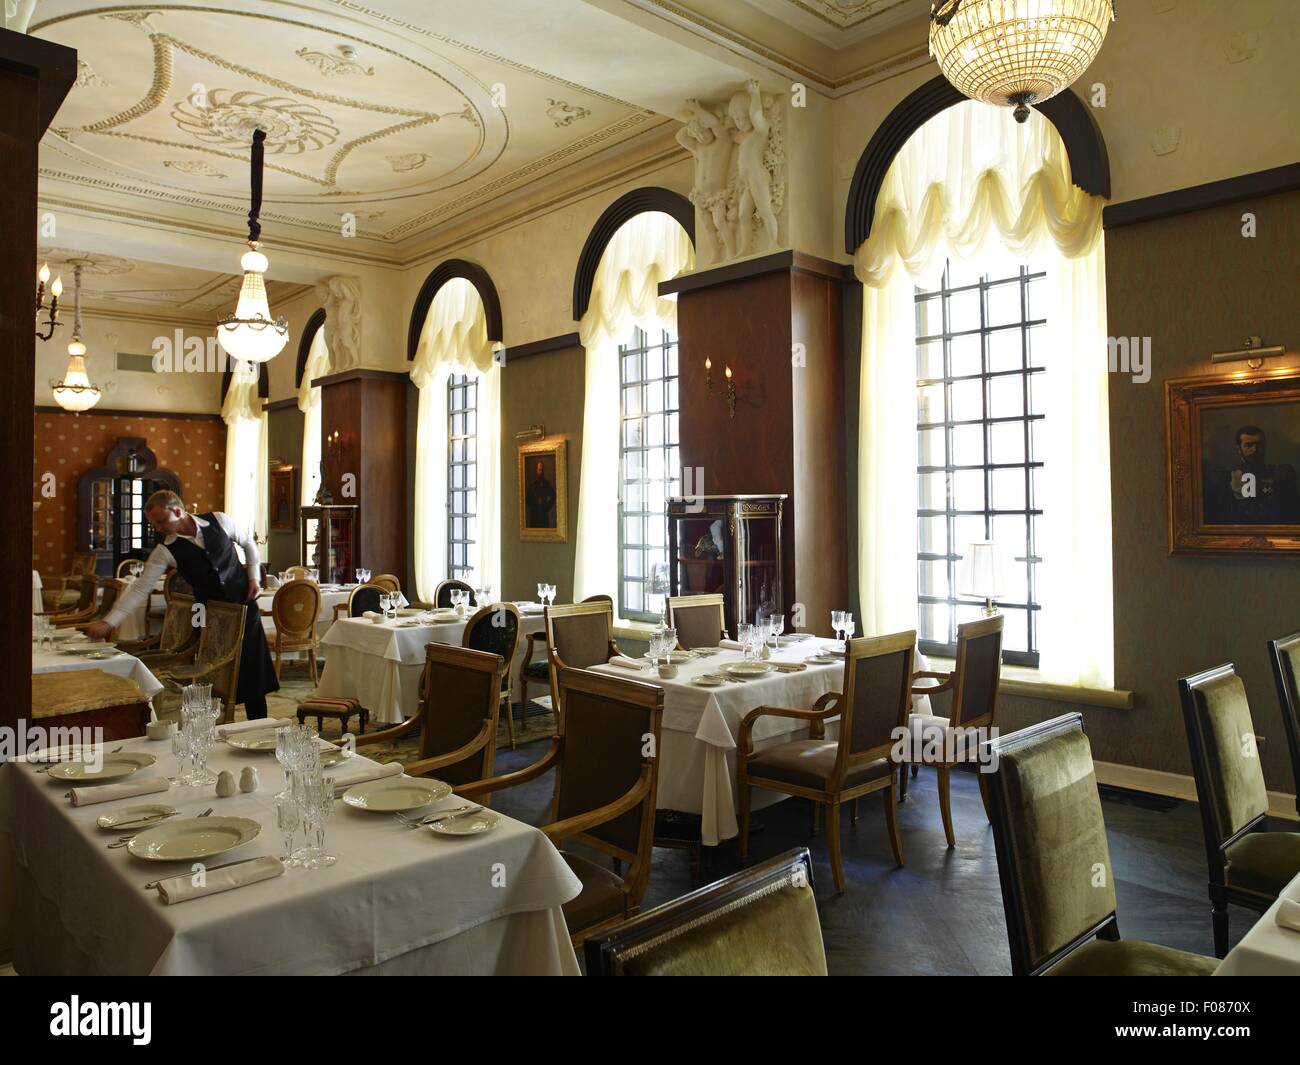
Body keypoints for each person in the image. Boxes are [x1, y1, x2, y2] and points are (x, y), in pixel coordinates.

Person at [86, 491, 278, 719]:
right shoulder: (164, 551)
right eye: (153, 523)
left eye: (161, 521)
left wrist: (254, 577)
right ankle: (212, 731)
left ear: (178, 512)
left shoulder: (219, 520)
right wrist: (109, 622)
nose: (157, 528)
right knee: (213, 677)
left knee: (254, 672)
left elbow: (248, 543)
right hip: (208, 615)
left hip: (245, 608)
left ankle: (259, 726)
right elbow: (139, 588)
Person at [1204, 424, 1300, 525]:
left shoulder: (1281, 475)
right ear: (1238, 449)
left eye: (1259, 445)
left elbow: (1292, 515)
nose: (1255, 449)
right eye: (1248, 445)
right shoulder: (1224, 479)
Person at [525, 459, 556, 528]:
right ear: (536, 471)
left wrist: (546, 506)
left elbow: (554, 496)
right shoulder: (532, 486)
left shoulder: (546, 484)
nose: (541, 472)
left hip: (544, 516)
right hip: (534, 517)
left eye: (542, 470)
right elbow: (527, 501)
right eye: (539, 470)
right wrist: (536, 501)